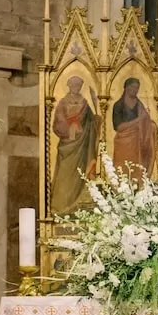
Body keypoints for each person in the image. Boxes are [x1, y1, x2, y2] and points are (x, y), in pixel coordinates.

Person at [51, 77, 98, 215]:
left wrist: (95, 121)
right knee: (64, 176)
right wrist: (70, 128)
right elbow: (57, 123)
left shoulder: (85, 103)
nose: (76, 87)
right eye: (74, 84)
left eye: (79, 85)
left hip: (82, 146)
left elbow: (91, 122)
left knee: (80, 174)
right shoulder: (63, 102)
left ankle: (78, 205)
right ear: (69, 85)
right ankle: (60, 207)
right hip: (68, 144)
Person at [111, 76, 156, 178]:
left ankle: (138, 187)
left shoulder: (140, 105)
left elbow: (145, 122)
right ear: (126, 88)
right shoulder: (118, 105)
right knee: (123, 171)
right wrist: (138, 120)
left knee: (137, 169)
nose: (135, 90)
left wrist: (151, 124)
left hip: (138, 142)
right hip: (123, 143)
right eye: (133, 87)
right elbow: (118, 127)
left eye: (137, 88)